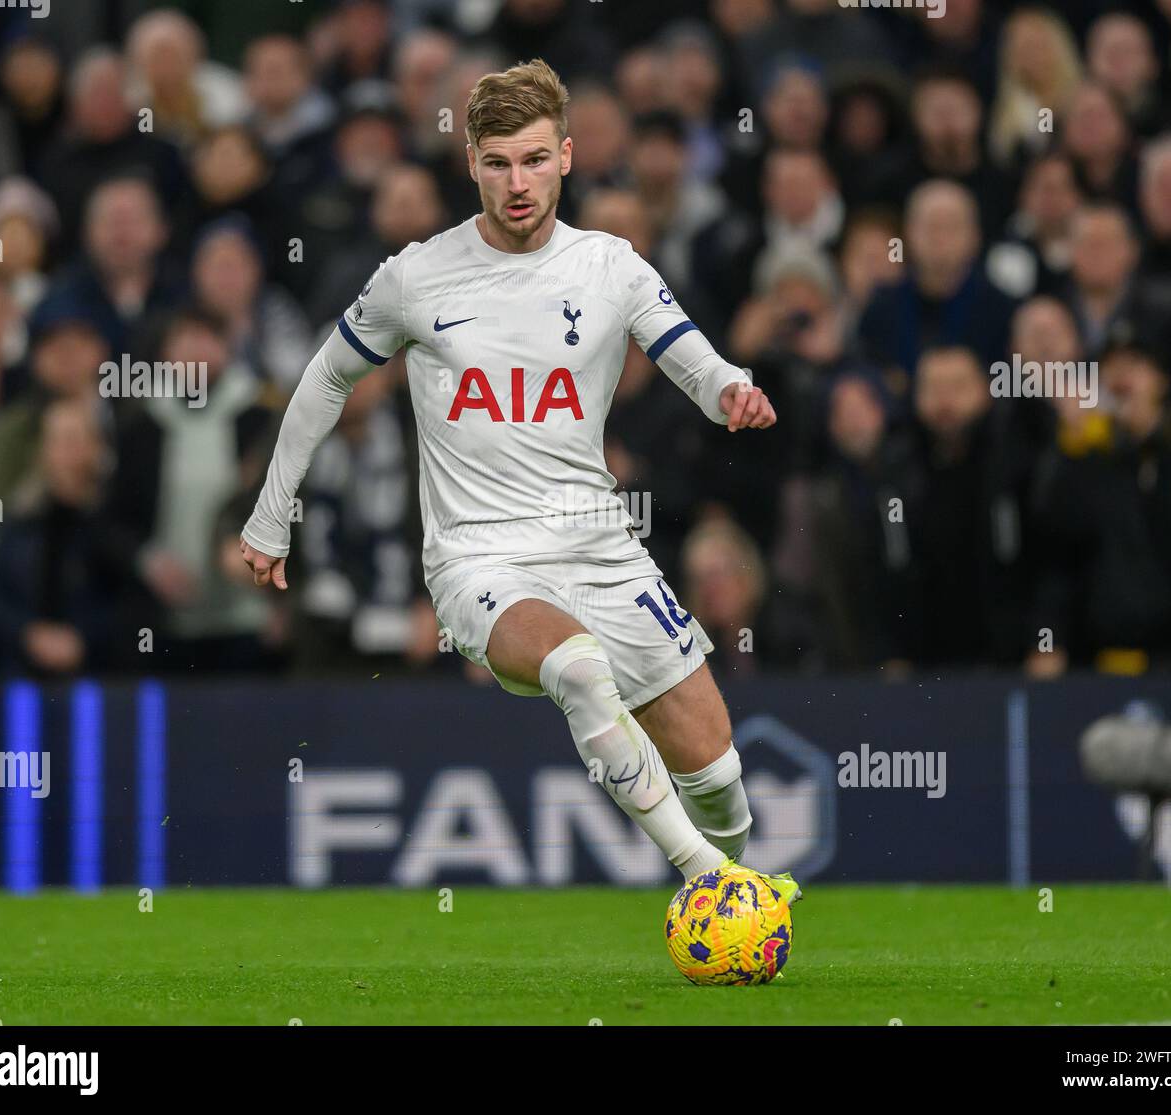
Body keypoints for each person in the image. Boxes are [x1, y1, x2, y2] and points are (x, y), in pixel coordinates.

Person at [238, 58, 799, 902]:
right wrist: (269, 516)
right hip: (480, 559)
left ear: (568, 155)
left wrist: (730, 390)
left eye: (535, 159)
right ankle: (713, 883)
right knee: (575, 668)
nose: (518, 182)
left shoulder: (611, 265)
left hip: (600, 544)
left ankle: (727, 878)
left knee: (718, 772)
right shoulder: (416, 276)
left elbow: (690, 354)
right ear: (470, 163)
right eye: (498, 163)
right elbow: (323, 378)